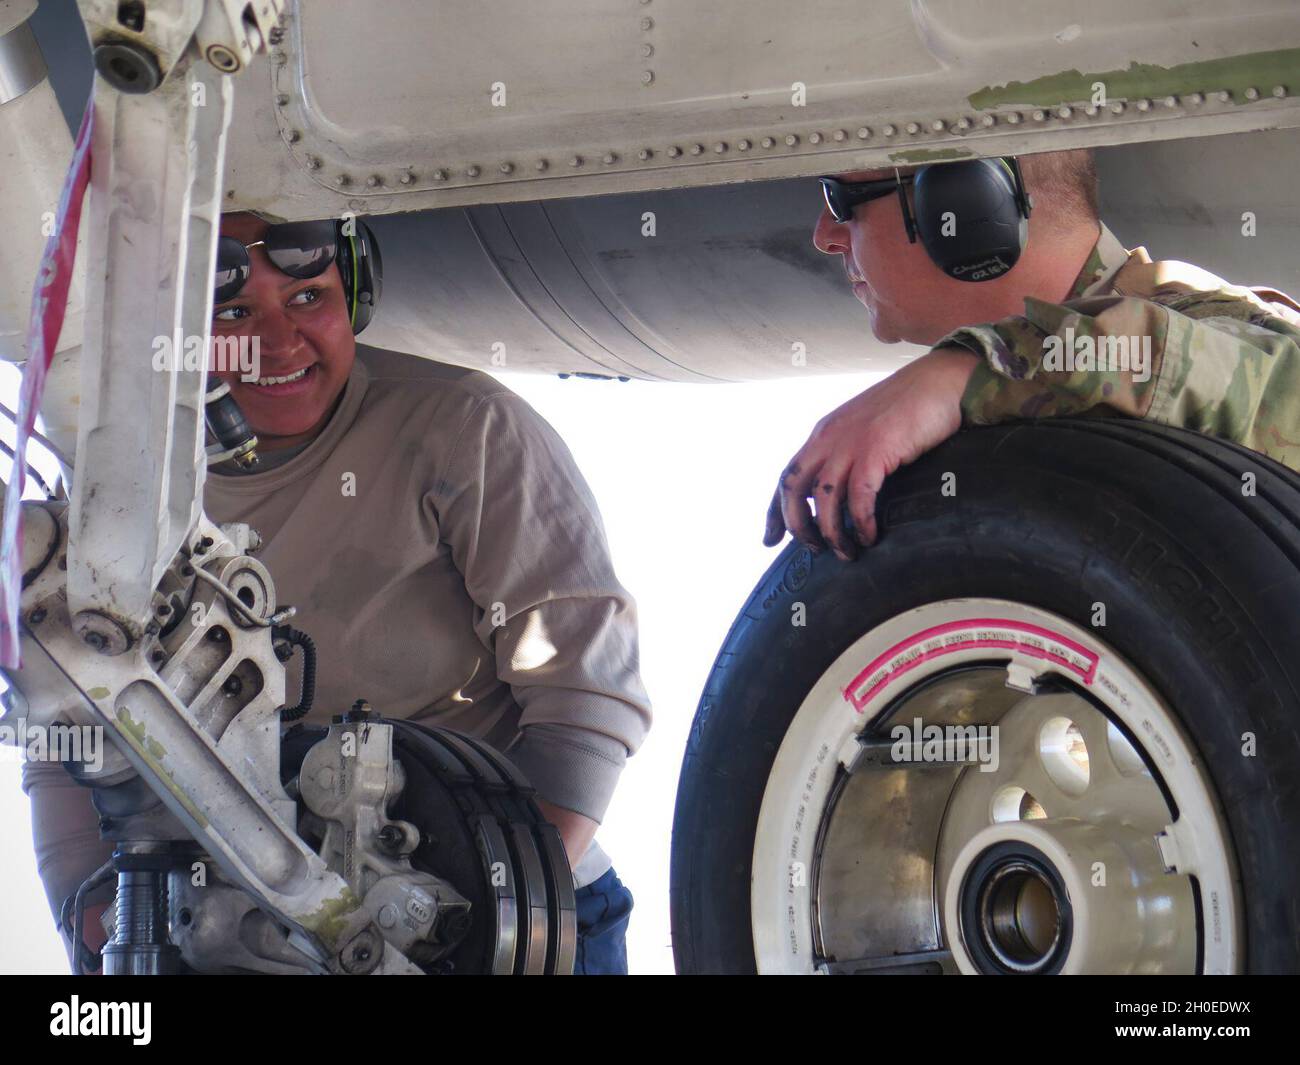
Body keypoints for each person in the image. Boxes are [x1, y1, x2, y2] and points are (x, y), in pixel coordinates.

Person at [23, 212, 651, 975]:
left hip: (497, 916)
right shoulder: (110, 496)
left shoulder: (464, 427)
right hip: (236, 927)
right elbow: (66, 733)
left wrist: (486, 925)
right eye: (233, 313)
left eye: (308, 298)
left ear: (354, 294)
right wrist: (90, 915)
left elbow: (585, 700)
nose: (279, 344)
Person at [764, 149, 1300, 559]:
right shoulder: (998, 413)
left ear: (967, 203)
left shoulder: (1210, 318)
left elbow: (1276, 386)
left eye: (842, 200)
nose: (824, 236)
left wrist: (968, 373)